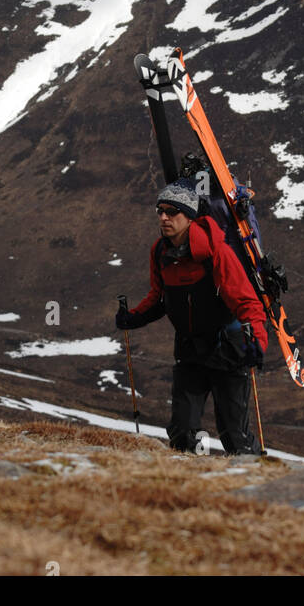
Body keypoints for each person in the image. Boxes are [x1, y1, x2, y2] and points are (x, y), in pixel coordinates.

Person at [115, 178, 268, 454]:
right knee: (182, 430)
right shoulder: (160, 251)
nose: (163, 217)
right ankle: (190, 487)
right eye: (160, 211)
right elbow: (160, 297)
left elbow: (246, 300)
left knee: (235, 435)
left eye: (171, 212)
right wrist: (134, 317)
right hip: (189, 351)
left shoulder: (215, 251)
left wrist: (256, 340)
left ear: (189, 217)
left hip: (228, 349)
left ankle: (256, 485)